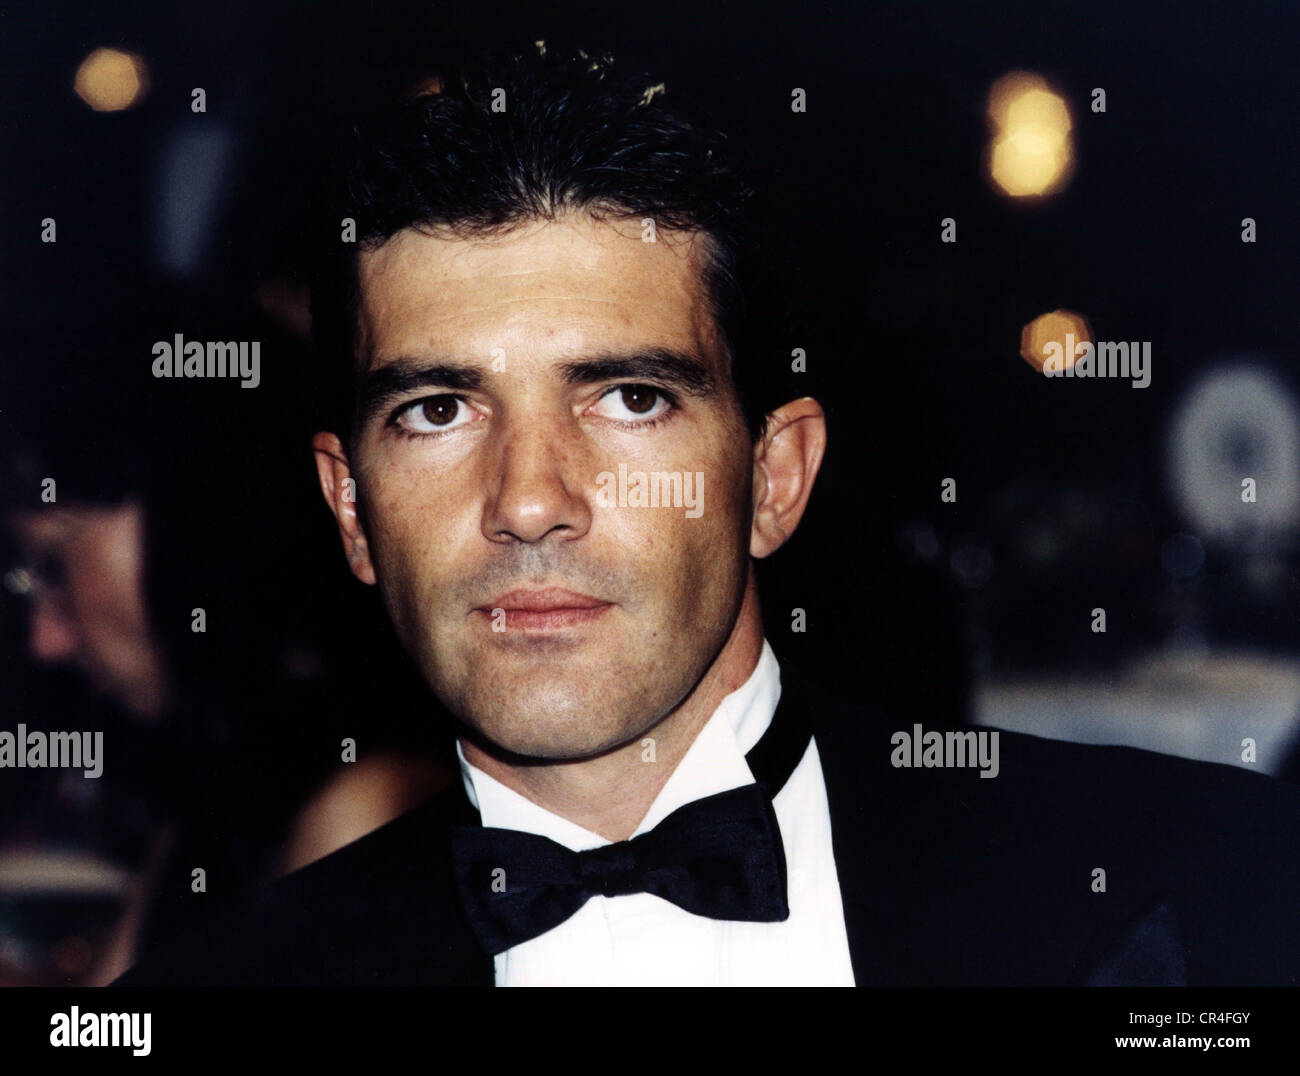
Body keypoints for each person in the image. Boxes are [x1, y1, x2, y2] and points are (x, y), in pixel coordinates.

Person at [115, 43, 1300, 987]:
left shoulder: (1209, 884)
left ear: (774, 479)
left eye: (629, 397)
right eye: (436, 409)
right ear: (351, 508)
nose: (528, 498)